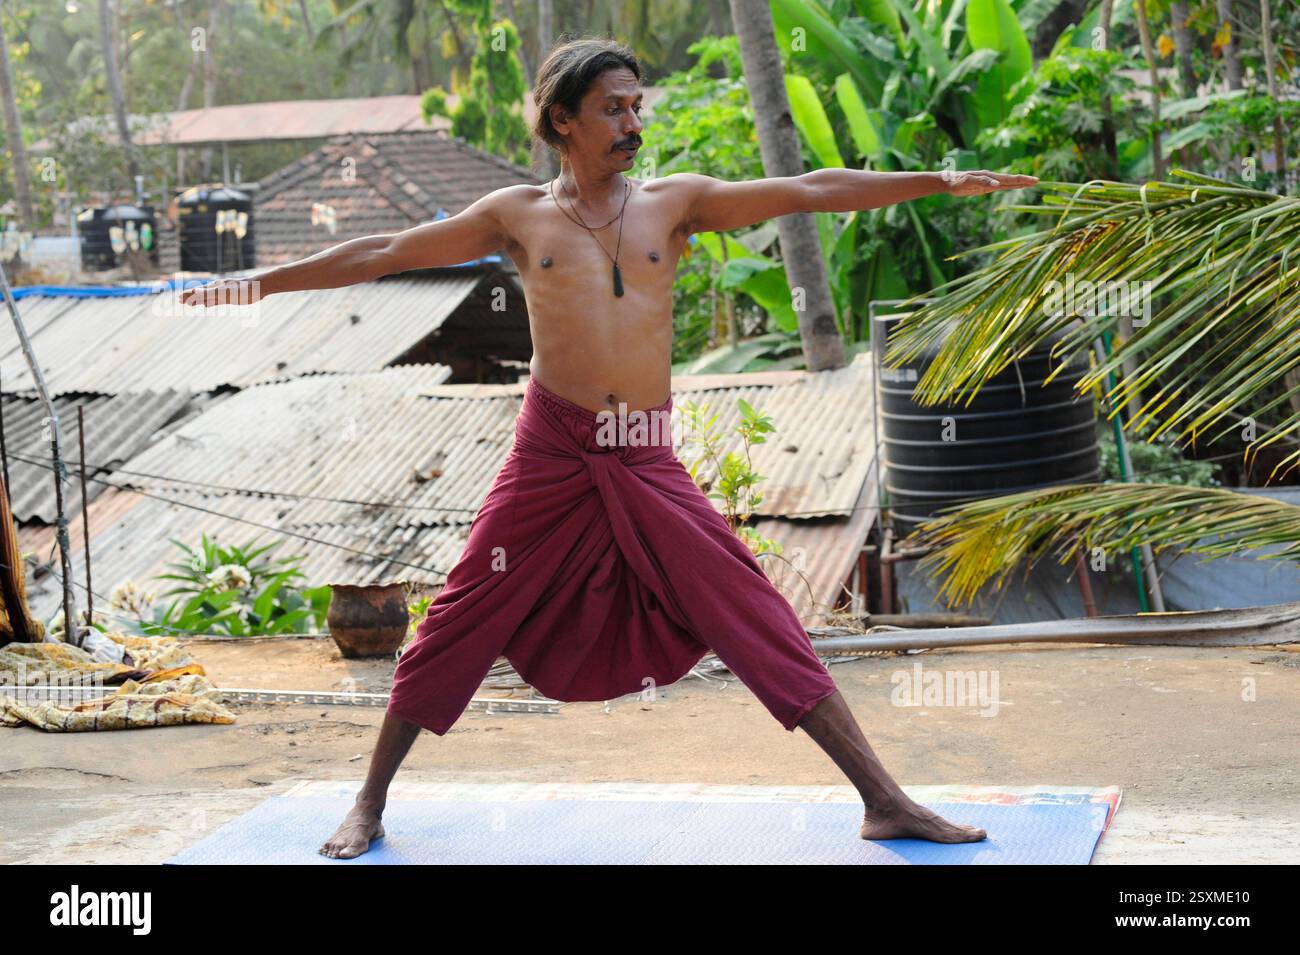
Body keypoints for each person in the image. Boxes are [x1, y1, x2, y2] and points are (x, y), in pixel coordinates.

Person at [182, 37, 1037, 861]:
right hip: (552, 450)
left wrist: (936, 180)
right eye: (612, 109)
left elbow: (811, 188)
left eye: (637, 106)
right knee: (462, 613)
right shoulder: (514, 217)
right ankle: (368, 800)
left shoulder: (677, 202)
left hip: (646, 453)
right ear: (561, 121)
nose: (633, 124)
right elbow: (379, 251)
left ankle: (884, 801)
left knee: (753, 610)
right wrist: (245, 283)